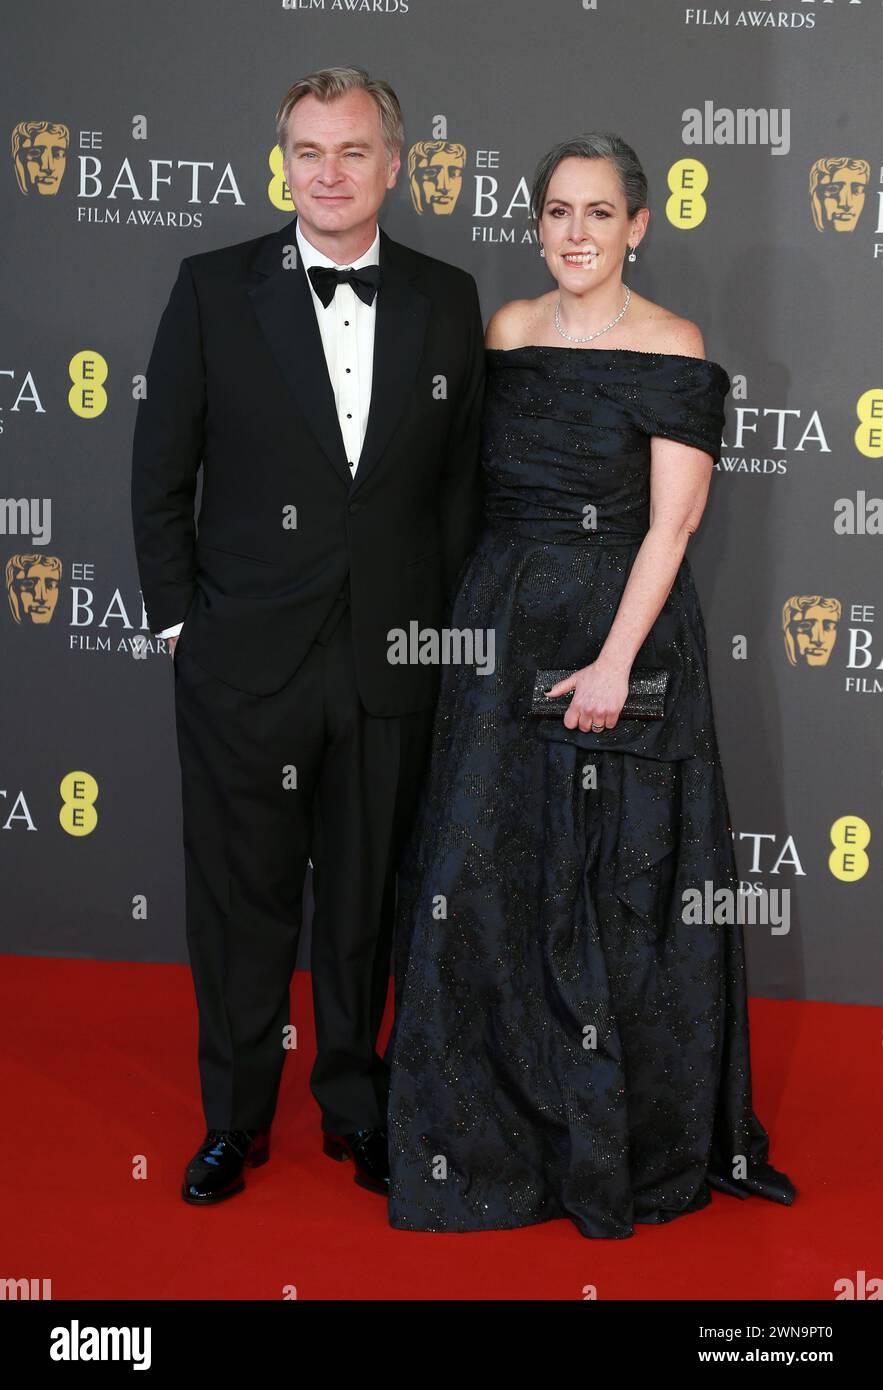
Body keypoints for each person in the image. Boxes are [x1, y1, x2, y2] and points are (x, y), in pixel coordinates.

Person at [385, 133, 796, 1239]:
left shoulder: (673, 345)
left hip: (628, 628)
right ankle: (489, 1130)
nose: (576, 232)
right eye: (558, 211)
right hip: (504, 619)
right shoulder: (507, 332)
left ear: (638, 227)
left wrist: (614, 660)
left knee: (616, 880)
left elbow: (674, 524)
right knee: (486, 869)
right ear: (537, 223)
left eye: (600, 213)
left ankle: (628, 1132)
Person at [130, 66, 485, 1205]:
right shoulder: (212, 288)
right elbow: (159, 473)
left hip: (389, 661)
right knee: (242, 902)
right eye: (307, 151)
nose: (328, 173)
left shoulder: (445, 294)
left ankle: (353, 1104)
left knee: (366, 899)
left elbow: (458, 493)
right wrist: (182, 624)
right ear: (280, 160)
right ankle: (233, 1120)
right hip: (244, 662)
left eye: (352, 151)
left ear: (395, 163)